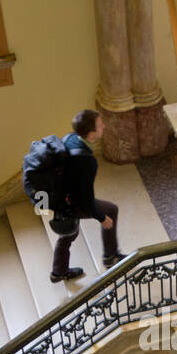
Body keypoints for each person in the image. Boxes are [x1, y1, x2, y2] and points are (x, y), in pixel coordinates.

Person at [51, 109, 124, 283]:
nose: (103, 126)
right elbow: (86, 199)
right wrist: (101, 218)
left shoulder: (70, 137)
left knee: (68, 234)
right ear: (91, 134)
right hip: (71, 201)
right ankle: (110, 256)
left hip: (60, 196)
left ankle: (58, 272)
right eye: (100, 125)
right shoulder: (87, 161)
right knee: (110, 211)